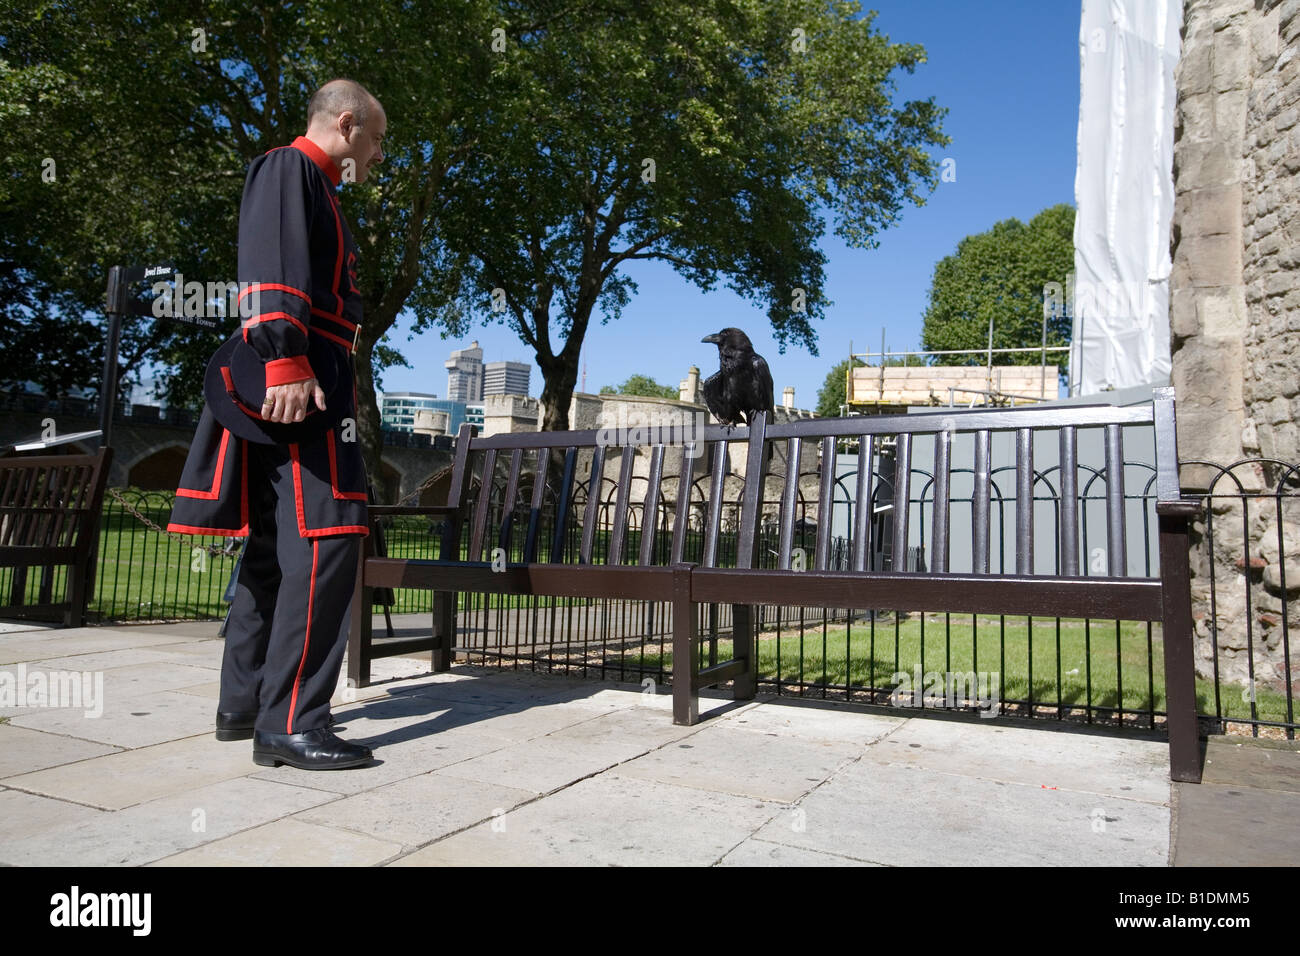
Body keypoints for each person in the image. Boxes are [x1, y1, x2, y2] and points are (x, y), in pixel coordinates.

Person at [167, 79, 386, 770]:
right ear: (346, 124)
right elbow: (272, 263)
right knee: (330, 538)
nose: (379, 157)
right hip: (300, 373)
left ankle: (245, 707)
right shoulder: (290, 167)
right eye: (376, 141)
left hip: (305, 368)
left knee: (270, 548)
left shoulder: (321, 187)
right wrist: (287, 360)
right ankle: (292, 723)